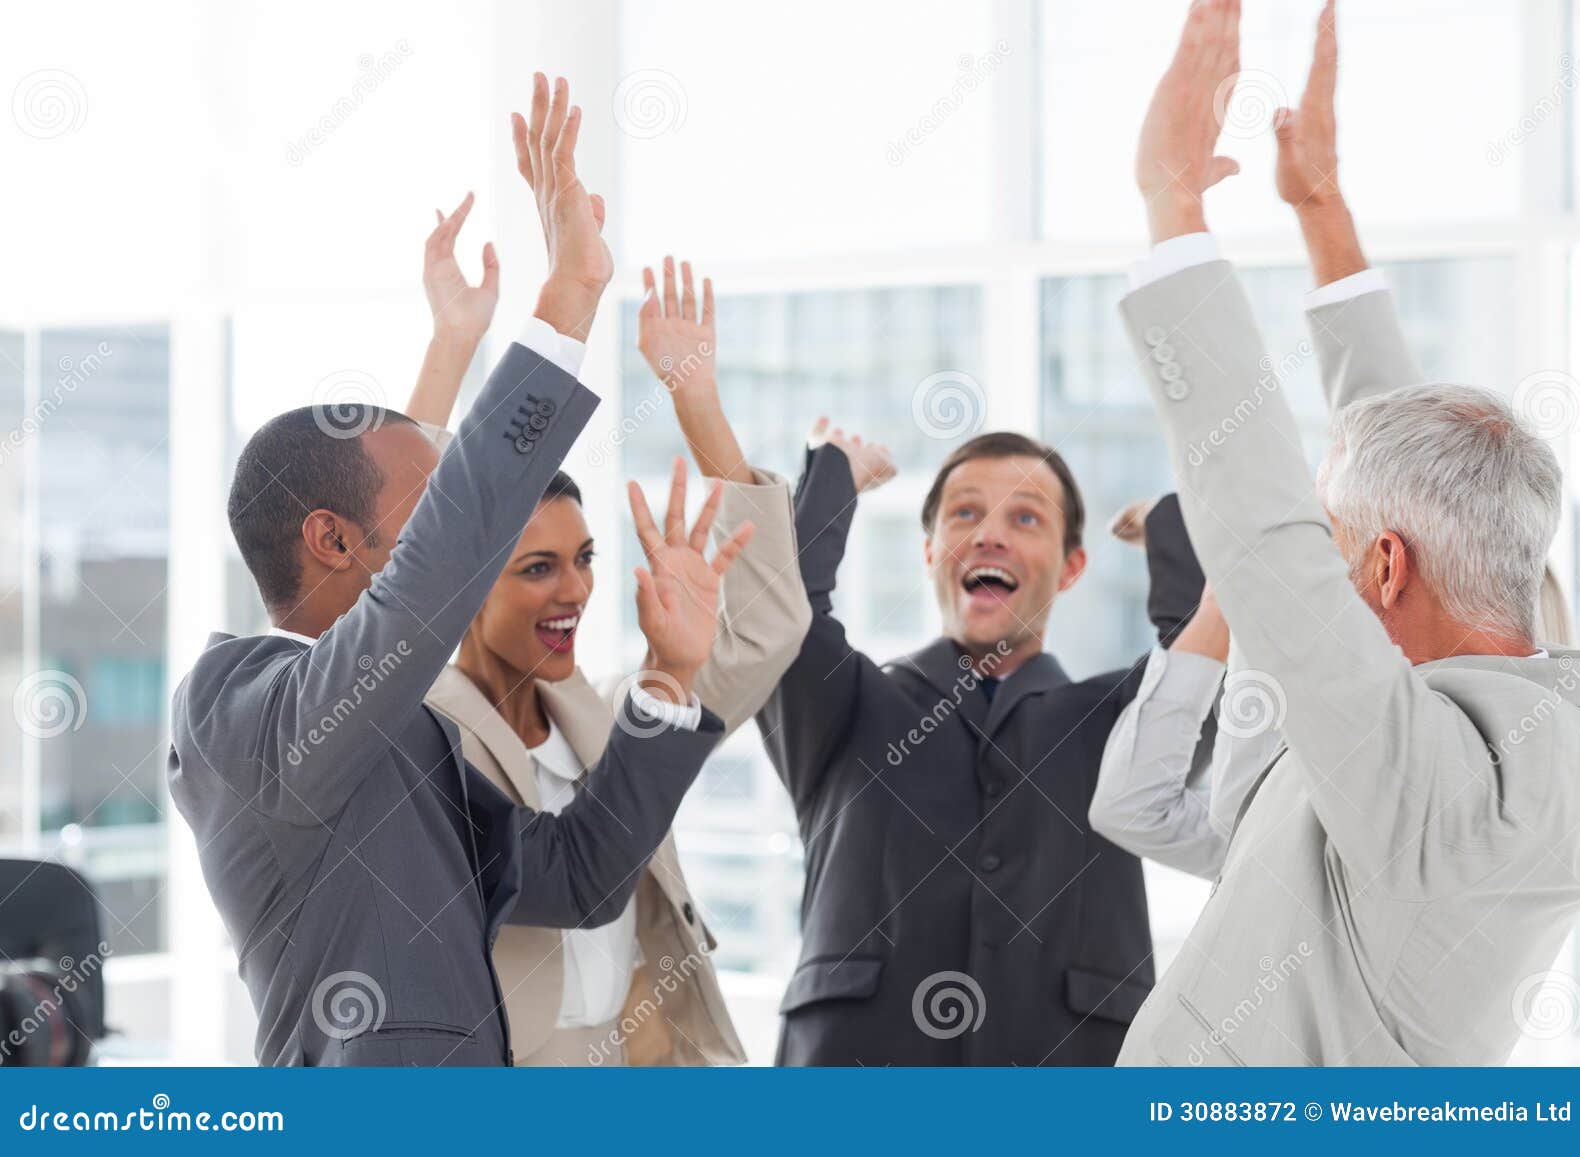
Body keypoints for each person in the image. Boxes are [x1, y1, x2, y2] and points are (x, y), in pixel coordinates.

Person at [167, 75, 746, 1066]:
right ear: (330, 541)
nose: (459, 534)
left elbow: (581, 873)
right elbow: (425, 585)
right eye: (428, 508)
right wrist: (564, 301)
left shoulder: (412, 735)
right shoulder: (231, 706)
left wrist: (669, 674)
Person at [1116, 0, 1580, 1065]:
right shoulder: (1519, 732)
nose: (1316, 559)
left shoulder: (1444, 784)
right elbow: (1393, 478)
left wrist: (1171, 210)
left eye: (1336, 540)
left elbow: (1265, 530)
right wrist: (1320, 210)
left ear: (1380, 567)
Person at [404, 224, 810, 1065]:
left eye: (585, 559)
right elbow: (401, 542)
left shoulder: (614, 715)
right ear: (463, 583)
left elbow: (767, 629)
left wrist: (696, 401)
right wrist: (450, 349)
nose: (577, 590)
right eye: (538, 568)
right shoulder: (416, 733)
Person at [752, 406, 1205, 1064]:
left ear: (1072, 566)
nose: (990, 534)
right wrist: (832, 481)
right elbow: (784, 615)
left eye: (1026, 518)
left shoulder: (1113, 717)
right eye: (965, 513)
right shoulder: (845, 705)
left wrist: (1174, 535)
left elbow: (1197, 675)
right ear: (931, 550)